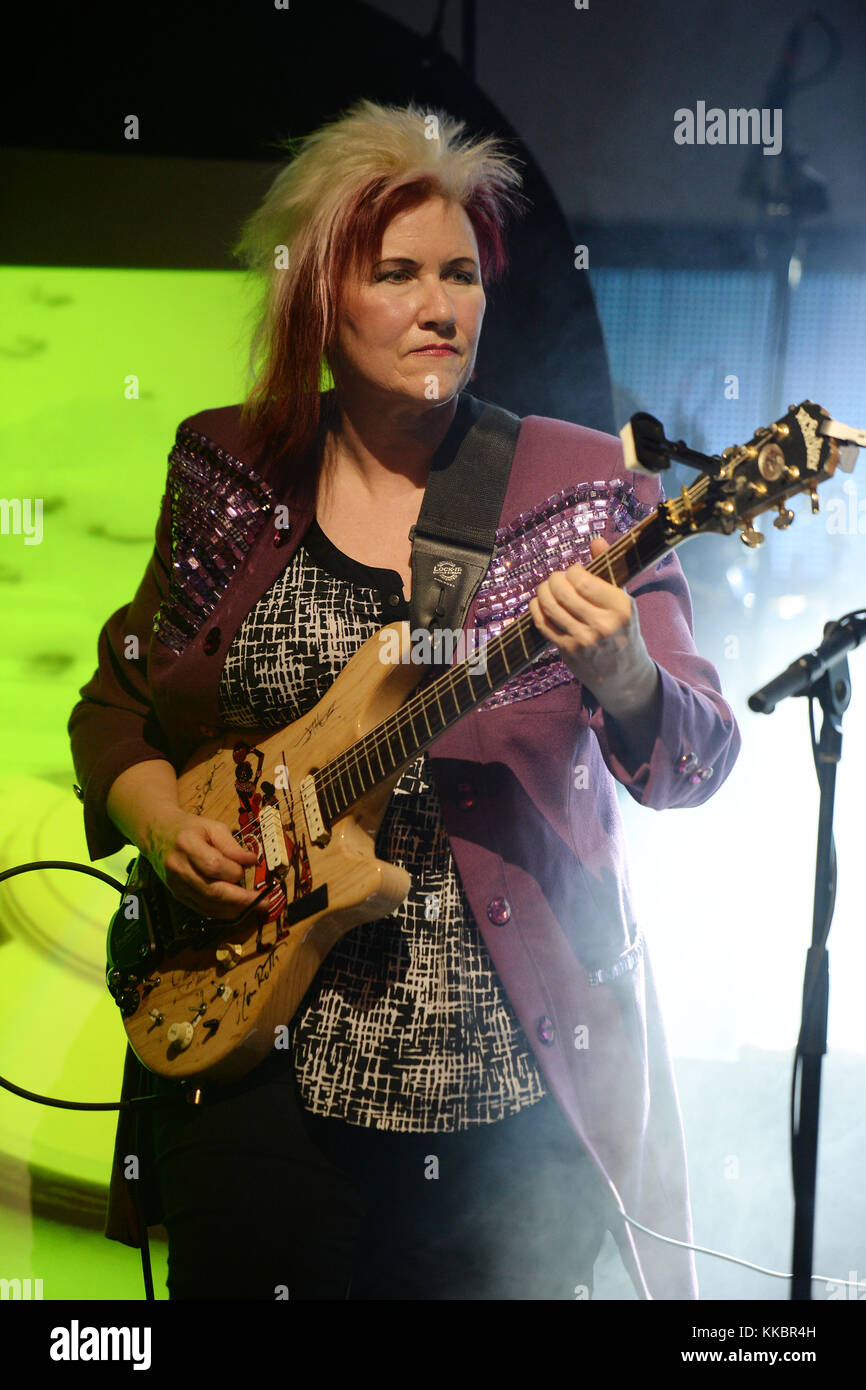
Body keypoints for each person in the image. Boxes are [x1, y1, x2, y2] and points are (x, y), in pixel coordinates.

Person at [68, 97, 740, 1300]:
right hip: (253, 1056)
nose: (442, 306)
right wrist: (166, 825)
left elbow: (697, 755)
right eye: (396, 273)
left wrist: (628, 677)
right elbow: (116, 710)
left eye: (461, 275)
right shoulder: (225, 467)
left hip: (498, 1086)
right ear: (320, 296)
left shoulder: (584, 487)